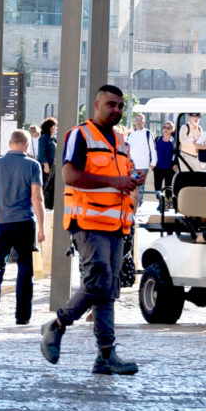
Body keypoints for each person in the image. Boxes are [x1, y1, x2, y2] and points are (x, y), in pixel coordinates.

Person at [40, 82, 144, 378]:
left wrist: (131, 178)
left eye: (121, 106)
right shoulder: (79, 135)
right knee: (98, 280)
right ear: (96, 105)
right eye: (111, 104)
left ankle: (106, 356)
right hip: (88, 223)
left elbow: (121, 176)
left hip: (115, 224)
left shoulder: (121, 140)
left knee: (107, 291)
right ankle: (57, 324)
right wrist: (115, 181)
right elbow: (70, 175)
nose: (117, 110)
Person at [0, 129, 44, 328]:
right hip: (24, 222)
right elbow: (36, 198)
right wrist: (42, 226)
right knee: (25, 268)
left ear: (10, 144)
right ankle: (22, 315)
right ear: (26, 145)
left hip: (0, 222)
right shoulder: (33, 165)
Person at [36, 115, 57, 212]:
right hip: (46, 165)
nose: (56, 128)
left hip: (53, 165)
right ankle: (41, 206)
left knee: (51, 187)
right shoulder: (43, 138)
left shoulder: (53, 139)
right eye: (55, 126)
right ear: (50, 127)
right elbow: (41, 152)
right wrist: (45, 164)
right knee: (45, 185)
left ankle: (49, 207)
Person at [152, 124, 174, 200]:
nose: (166, 129)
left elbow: (176, 155)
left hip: (169, 168)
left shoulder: (174, 141)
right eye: (164, 127)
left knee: (169, 187)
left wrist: (175, 165)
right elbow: (152, 151)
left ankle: (168, 202)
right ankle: (160, 203)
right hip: (158, 167)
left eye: (168, 128)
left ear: (172, 130)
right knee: (158, 187)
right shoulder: (157, 139)